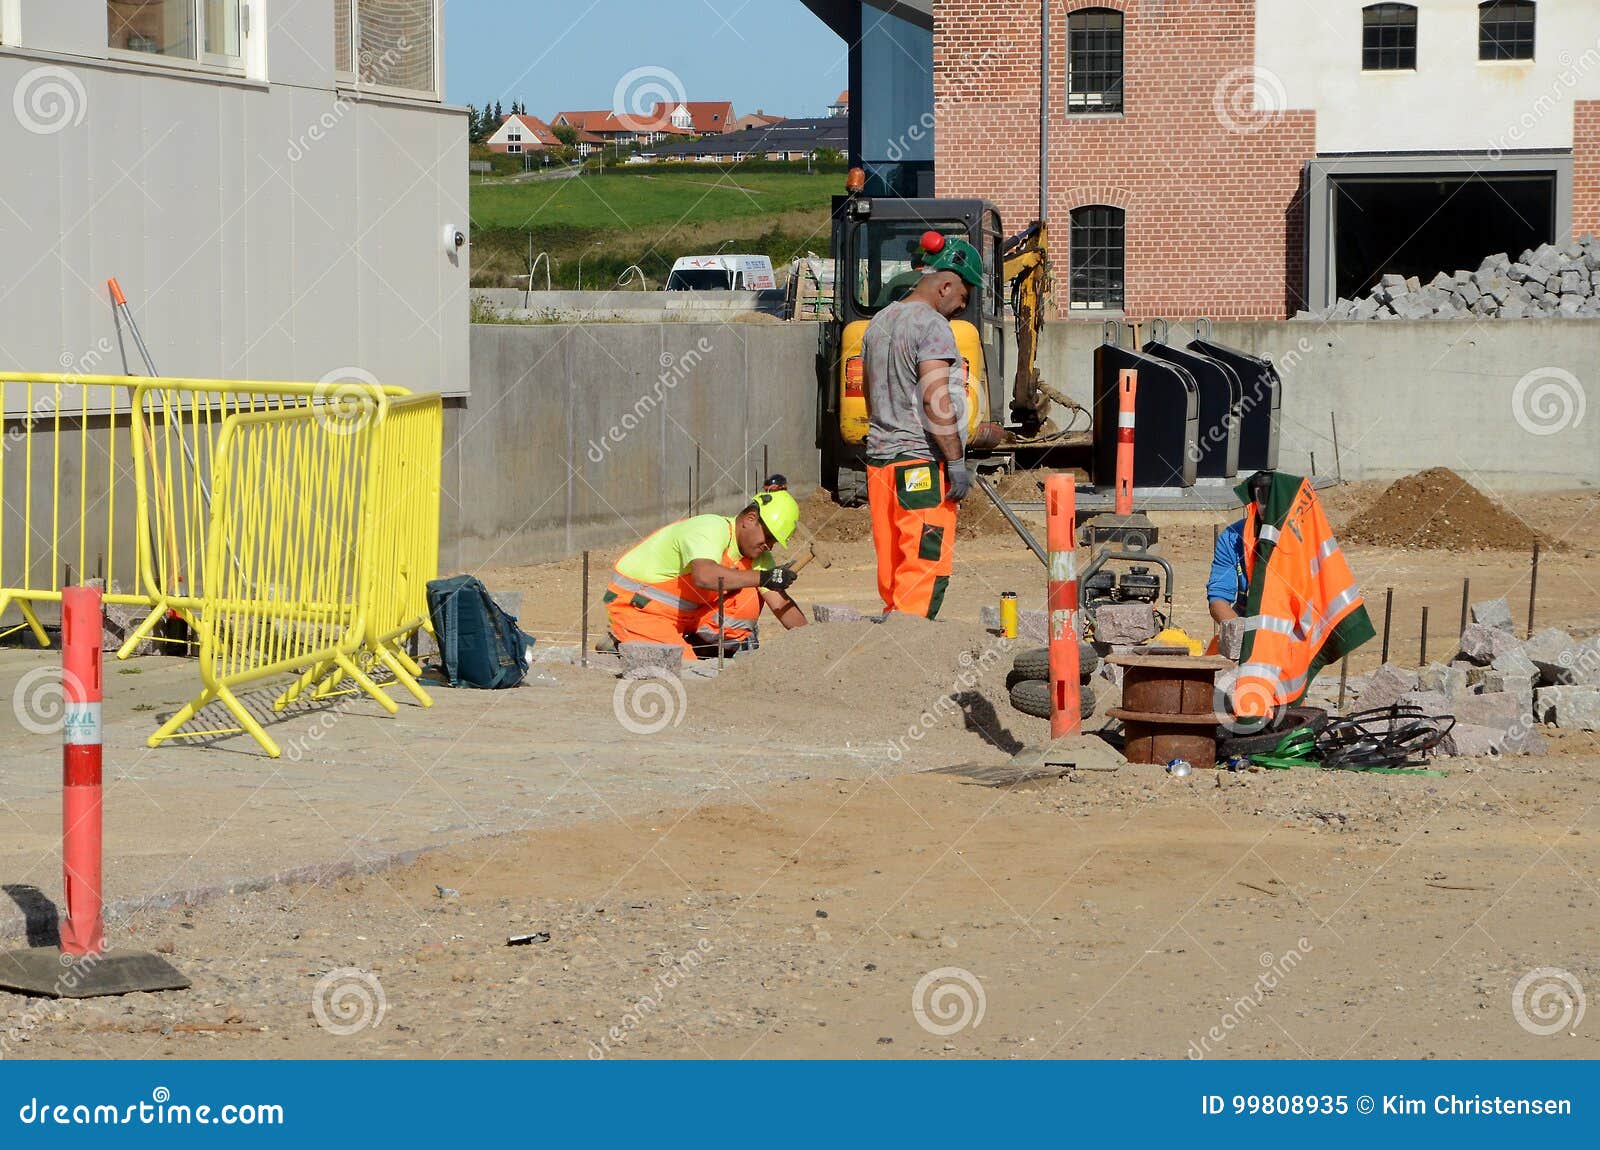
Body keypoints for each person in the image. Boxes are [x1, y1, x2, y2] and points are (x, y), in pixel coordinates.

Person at [861, 231, 984, 620]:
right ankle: (911, 630)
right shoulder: (931, 326)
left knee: (894, 555)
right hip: (920, 467)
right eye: (961, 298)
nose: (958, 308)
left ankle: (893, 625)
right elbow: (935, 398)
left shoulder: (879, 322)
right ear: (945, 285)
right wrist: (957, 461)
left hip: (880, 463)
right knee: (925, 556)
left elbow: (869, 392)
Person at [603, 487, 806, 660]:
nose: (769, 546)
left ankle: (703, 645)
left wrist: (814, 639)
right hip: (640, 608)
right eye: (768, 537)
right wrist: (764, 577)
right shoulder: (709, 528)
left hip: (683, 616)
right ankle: (621, 643)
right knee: (687, 669)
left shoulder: (756, 556)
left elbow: (779, 603)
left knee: (750, 595)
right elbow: (705, 576)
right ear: (750, 519)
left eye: (774, 542)